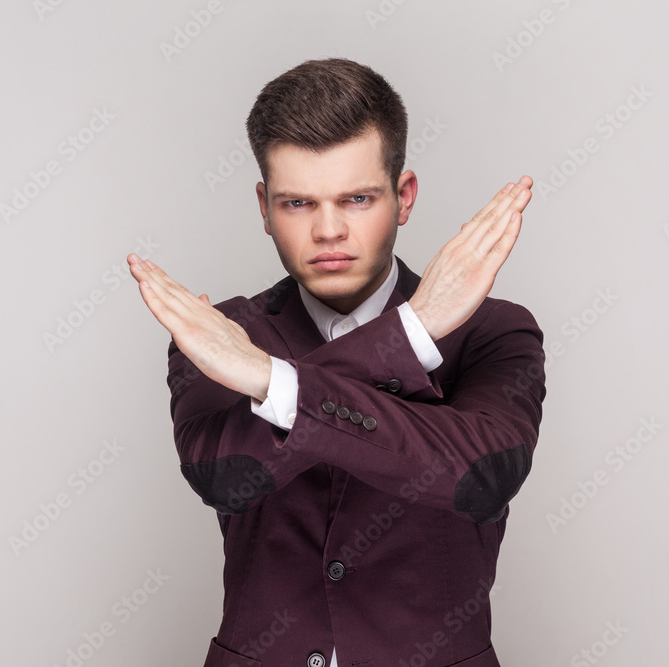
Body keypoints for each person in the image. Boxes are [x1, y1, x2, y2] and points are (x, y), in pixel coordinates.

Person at [127, 57, 545, 667]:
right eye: (298, 203)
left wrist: (269, 381)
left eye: (356, 198)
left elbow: (479, 478)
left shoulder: (495, 329)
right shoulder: (222, 333)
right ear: (265, 207)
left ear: (403, 199)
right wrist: (412, 335)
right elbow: (226, 476)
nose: (328, 230)